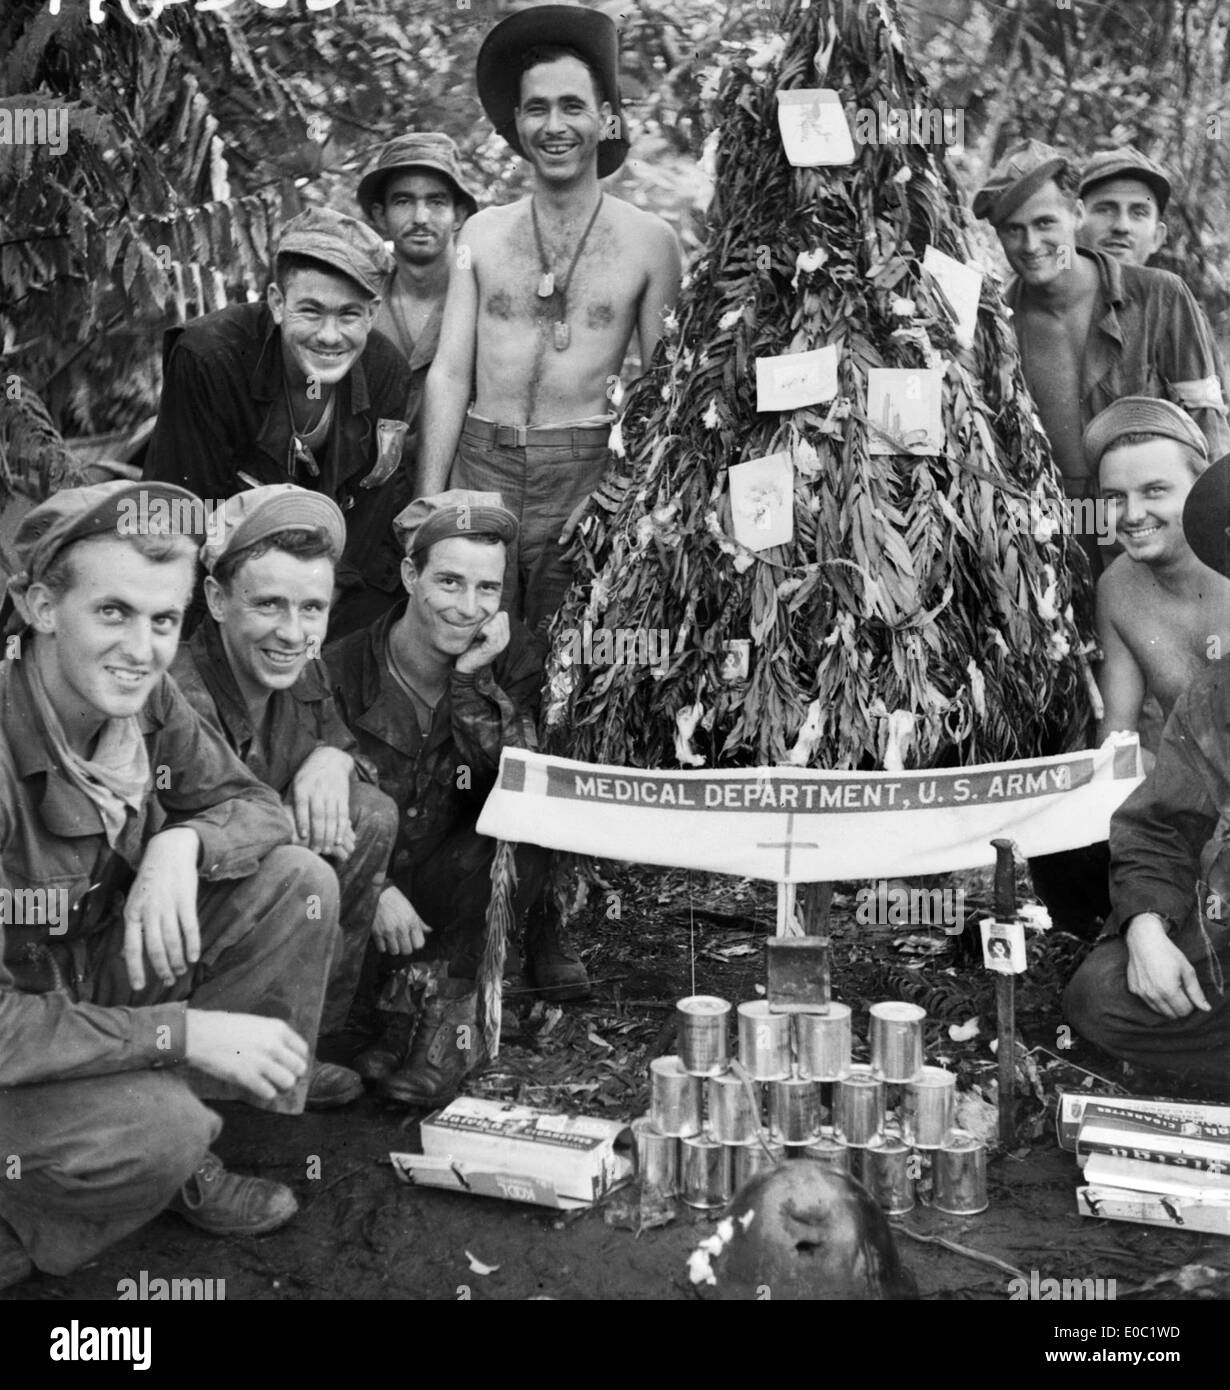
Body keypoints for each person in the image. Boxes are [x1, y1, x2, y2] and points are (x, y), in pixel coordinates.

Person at [0, 482, 343, 1293]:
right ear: (43, 607)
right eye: (112, 612)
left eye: (162, 621)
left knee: (299, 884)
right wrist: (177, 1032)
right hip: (17, 1031)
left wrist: (180, 844)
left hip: (75, 989)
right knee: (158, 1131)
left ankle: (173, 1154)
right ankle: (30, 1211)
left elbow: (256, 809)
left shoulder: (145, 704)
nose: (142, 648)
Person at [418, 3, 682, 639]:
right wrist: (430, 497)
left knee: (567, 660)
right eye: (537, 108)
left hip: (584, 474)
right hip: (481, 468)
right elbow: (451, 372)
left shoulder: (651, 243)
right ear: (516, 122)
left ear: (606, 117)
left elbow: (663, 393)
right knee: (466, 645)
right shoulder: (479, 233)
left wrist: (619, 492)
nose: (554, 124)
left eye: (572, 105)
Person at [168, 485, 400, 1100]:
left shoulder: (302, 662)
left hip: (267, 888)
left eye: (312, 608)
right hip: (184, 916)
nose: (293, 632)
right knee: (301, 868)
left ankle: (302, 1043)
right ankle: (215, 1072)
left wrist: (333, 758)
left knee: (369, 814)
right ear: (217, 600)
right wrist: (284, 823)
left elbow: (341, 744)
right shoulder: (180, 693)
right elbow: (196, 827)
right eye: (268, 604)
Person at [324, 491, 554, 1105]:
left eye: (488, 589)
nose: (468, 608)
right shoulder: (342, 666)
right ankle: (389, 1013)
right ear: (409, 575)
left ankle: (447, 1019)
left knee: (519, 842)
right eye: (449, 582)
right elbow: (304, 795)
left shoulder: (517, 657)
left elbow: (516, 785)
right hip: (363, 886)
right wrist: (369, 885)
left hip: (444, 887)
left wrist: (472, 683)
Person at [143, 206, 413, 640]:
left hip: (329, 582)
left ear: (373, 312)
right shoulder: (210, 357)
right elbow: (184, 507)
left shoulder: (386, 371)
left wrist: (312, 614)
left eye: (348, 314)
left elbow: (371, 511)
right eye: (310, 311)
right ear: (275, 302)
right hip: (219, 573)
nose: (329, 336)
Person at [973, 139, 1229, 576]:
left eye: (1045, 223)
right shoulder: (997, 325)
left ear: (1075, 215)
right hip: (1054, 538)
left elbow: (1209, 423)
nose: (1032, 243)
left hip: (1154, 529)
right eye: (1013, 229)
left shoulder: (1159, 295)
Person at [1063, 455, 1230, 1091]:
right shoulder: (1216, 693)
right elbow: (1161, 825)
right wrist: (1144, 929)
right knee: (1100, 996)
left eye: (1155, 489)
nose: (1133, 512)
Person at [1090, 398, 1230, 747]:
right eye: (1115, 497)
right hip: (1196, 792)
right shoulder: (1118, 589)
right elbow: (1116, 739)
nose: (1133, 514)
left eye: (1154, 491)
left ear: (1200, 485)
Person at [357, 132, 479, 465]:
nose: (421, 217)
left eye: (436, 201)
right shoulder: (359, 300)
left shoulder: (486, 304)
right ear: (380, 216)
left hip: (458, 490)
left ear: (459, 215)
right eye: (403, 201)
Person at [1077, 147, 1172, 268]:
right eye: (1105, 210)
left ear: (1157, 237)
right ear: (1075, 224)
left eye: (1139, 213)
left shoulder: (1166, 286)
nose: (1122, 227)